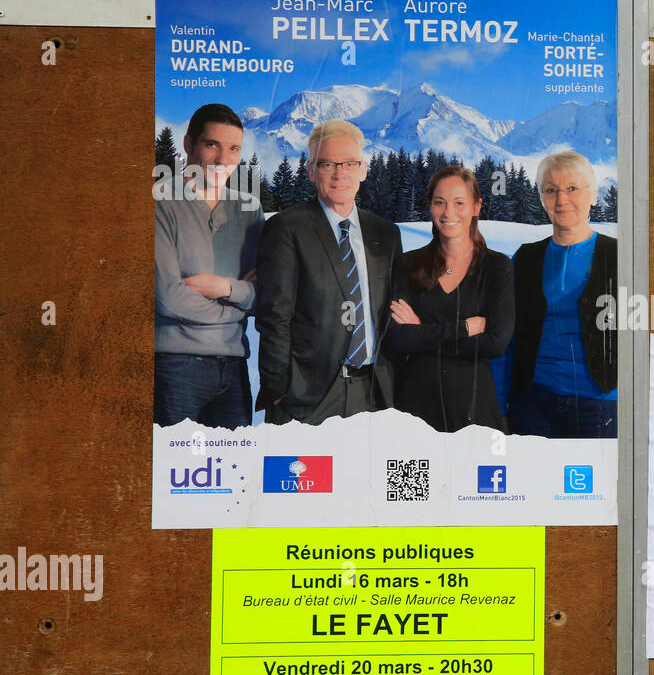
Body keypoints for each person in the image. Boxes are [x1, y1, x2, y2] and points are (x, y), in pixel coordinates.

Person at [255, 119, 401, 425]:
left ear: (363, 169)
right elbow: (274, 317)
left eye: (349, 163)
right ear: (310, 170)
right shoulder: (286, 227)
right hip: (307, 397)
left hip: (375, 393)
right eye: (327, 164)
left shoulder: (385, 233)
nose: (339, 174)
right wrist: (280, 390)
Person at [154, 103, 264, 428]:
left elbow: (266, 293)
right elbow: (167, 296)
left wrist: (227, 288)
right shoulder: (160, 201)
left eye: (234, 148)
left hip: (233, 367)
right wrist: (236, 308)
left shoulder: (250, 210)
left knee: (236, 473)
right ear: (189, 144)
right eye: (211, 144)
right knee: (176, 473)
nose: (223, 159)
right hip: (175, 364)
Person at [387, 166, 514, 432]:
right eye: (439, 203)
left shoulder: (497, 266)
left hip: (474, 406)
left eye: (459, 203)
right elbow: (399, 338)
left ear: (477, 207)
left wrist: (422, 333)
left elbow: (496, 343)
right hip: (415, 406)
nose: (448, 213)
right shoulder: (407, 264)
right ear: (430, 206)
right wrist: (465, 328)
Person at [504, 151, 617, 438]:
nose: (561, 199)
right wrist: (500, 405)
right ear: (541, 198)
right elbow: (508, 340)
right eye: (551, 190)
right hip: (533, 403)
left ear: (593, 195)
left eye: (572, 189)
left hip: (604, 406)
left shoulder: (621, 257)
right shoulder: (526, 258)